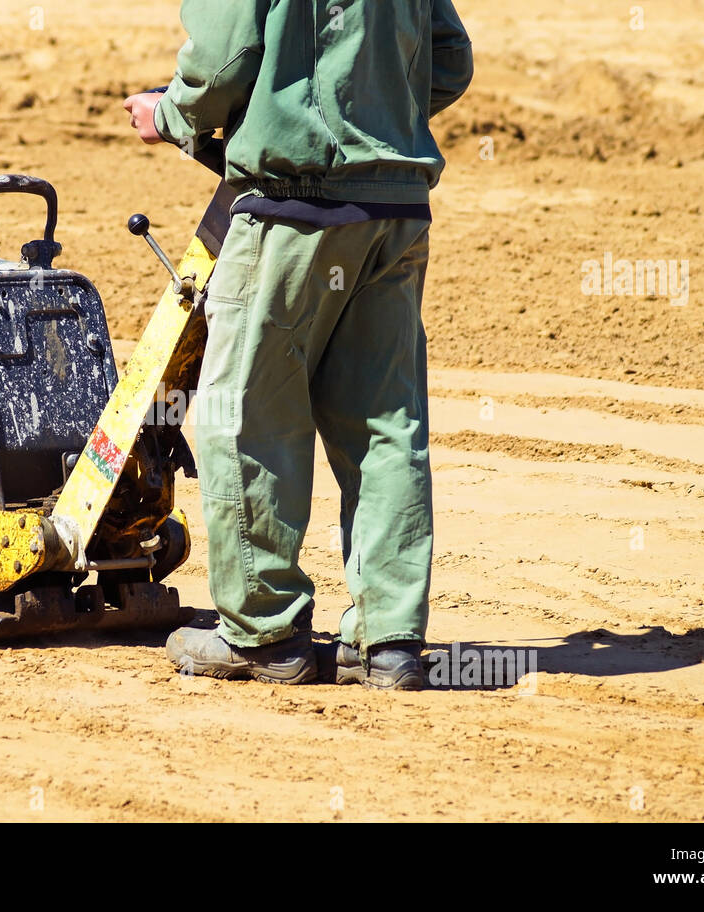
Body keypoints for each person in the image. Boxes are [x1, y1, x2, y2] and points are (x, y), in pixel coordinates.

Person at [123, 0, 472, 689]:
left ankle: (265, 633)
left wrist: (169, 116)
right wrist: (371, 116)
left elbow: (221, 64)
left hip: (292, 206)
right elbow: (450, 63)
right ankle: (389, 643)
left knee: (245, 418)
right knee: (386, 423)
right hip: (394, 208)